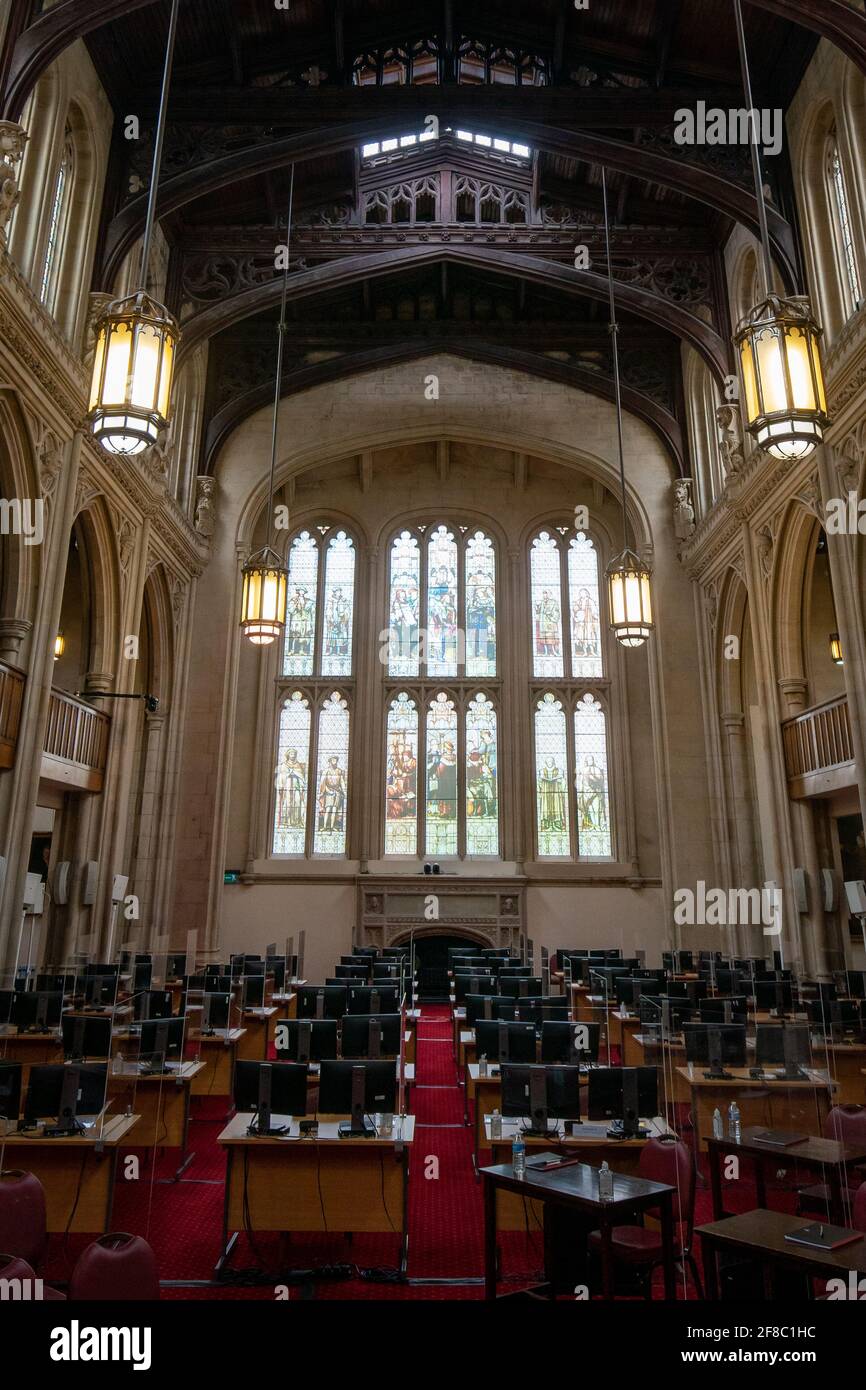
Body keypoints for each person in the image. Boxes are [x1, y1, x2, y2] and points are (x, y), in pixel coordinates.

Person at [317, 756, 347, 834]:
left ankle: (332, 827)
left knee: (334, 810)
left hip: (337, 792)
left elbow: (342, 783)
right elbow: (323, 783)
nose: (335, 761)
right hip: (328, 792)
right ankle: (324, 826)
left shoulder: (339, 771)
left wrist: (344, 792)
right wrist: (326, 791)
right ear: (330, 761)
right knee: (328, 809)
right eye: (333, 760)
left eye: (336, 760)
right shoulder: (326, 771)